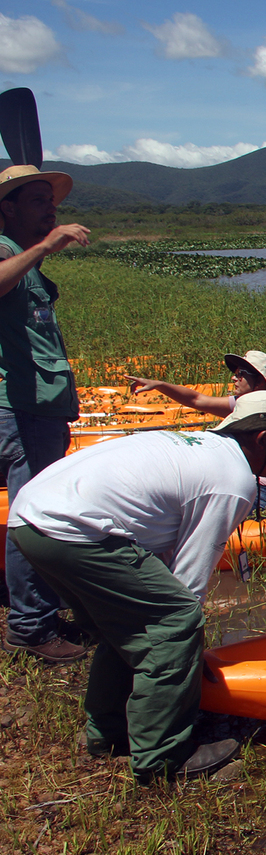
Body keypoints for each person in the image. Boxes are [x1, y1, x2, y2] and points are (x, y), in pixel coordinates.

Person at [6, 392, 266, 783]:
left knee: (124, 627)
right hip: (69, 528)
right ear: (261, 439)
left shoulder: (204, 447)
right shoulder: (233, 480)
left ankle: (110, 735)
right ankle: (163, 755)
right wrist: (186, 650)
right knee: (174, 622)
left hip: (31, 520)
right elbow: (187, 585)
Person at [0, 164, 91, 664]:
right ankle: (31, 627)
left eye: (50, 200)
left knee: (40, 511)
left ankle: (42, 612)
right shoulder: (9, 250)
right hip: (21, 409)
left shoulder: (27, 264)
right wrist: (44, 246)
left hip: (42, 408)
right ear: (8, 208)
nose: (50, 208)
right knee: (33, 516)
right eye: (37, 200)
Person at [126, 350, 266, 515]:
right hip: (232, 483)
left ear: (259, 382)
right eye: (235, 373)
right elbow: (197, 400)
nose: (234, 378)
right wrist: (159, 385)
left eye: (241, 374)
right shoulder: (240, 404)